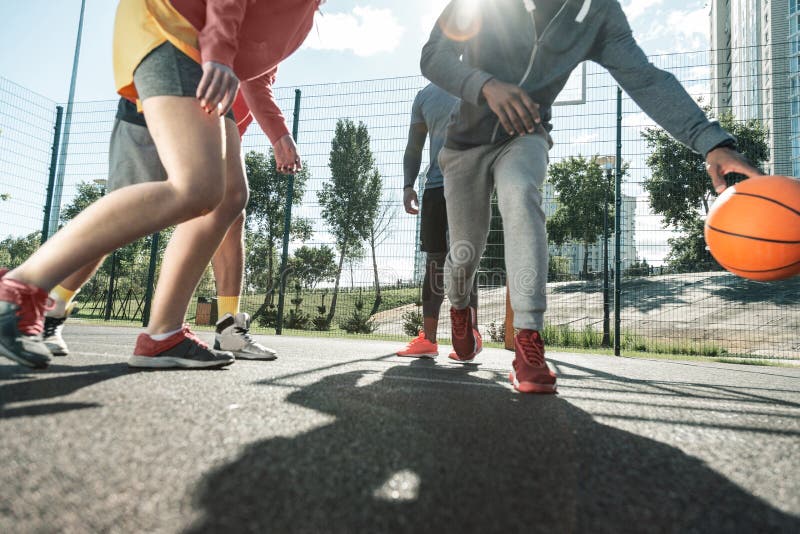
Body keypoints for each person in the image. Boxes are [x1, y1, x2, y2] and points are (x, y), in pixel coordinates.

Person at [420, 0, 762, 393]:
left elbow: (645, 78)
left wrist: (710, 141)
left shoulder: (596, 12)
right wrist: (484, 85)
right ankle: (461, 310)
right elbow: (434, 56)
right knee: (464, 252)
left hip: (525, 135)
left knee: (521, 198)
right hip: (464, 144)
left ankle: (528, 342)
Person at [0, 0, 324, 369]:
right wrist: (218, 52)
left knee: (140, 204)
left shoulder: (306, 11)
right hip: (177, 34)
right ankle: (19, 289)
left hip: (183, 46)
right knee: (201, 189)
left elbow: (257, 67)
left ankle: (158, 334)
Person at [42, 95, 277, 362]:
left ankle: (218, 328)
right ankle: (45, 301)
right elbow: (254, 85)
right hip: (172, 102)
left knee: (232, 209)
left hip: (214, 119)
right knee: (125, 214)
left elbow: (252, 84)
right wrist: (279, 135)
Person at [396, 83, 481, 362]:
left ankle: (471, 335)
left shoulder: (479, 81)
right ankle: (429, 340)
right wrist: (408, 185)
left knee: (465, 259)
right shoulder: (425, 96)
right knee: (435, 261)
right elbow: (414, 145)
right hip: (435, 187)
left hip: (468, 183)